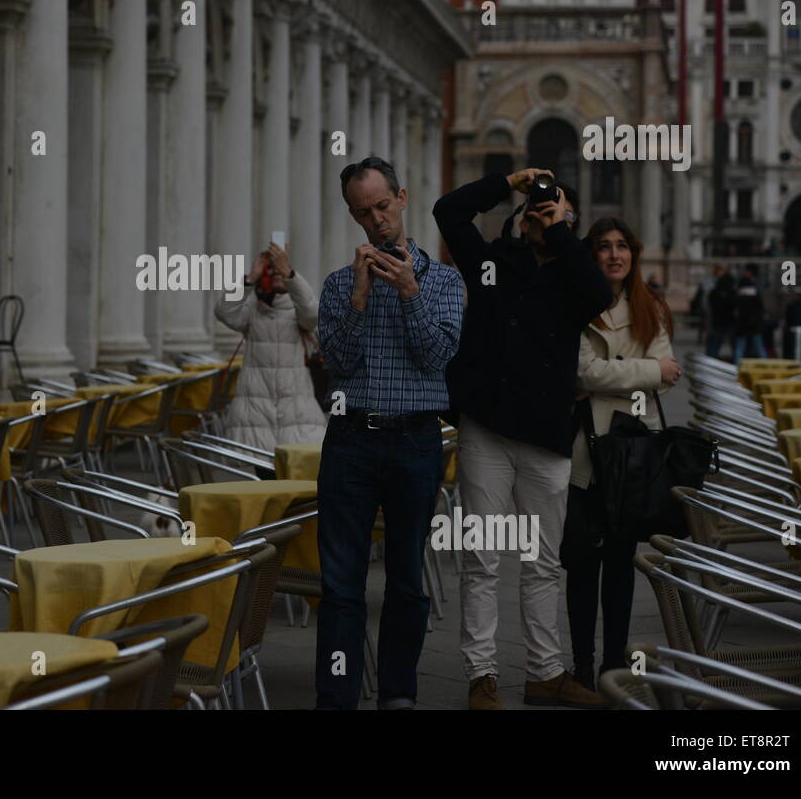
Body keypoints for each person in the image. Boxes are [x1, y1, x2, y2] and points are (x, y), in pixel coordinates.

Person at [433, 166, 612, 710]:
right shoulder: (492, 264)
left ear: (569, 221)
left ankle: (544, 672)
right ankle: (481, 676)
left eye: (553, 208)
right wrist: (506, 181)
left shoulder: (574, 275)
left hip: (546, 432)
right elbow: (448, 213)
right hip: (487, 425)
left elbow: (598, 295)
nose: (539, 213)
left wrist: (559, 229)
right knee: (482, 557)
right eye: (534, 208)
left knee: (543, 560)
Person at [315, 156, 464, 710]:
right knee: (341, 585)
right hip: (351, 441)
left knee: (405, 580)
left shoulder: (445, 281)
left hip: (416, 442)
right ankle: (336, 697)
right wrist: (358, 297)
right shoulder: (336, 285)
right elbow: (339, 361)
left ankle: (398, 693)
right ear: (353, 218)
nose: (376, 220)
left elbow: (436, 356)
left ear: (402, 199)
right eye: (363, 212)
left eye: (382, 206)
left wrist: (408, 292)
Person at [563, 217, 679, 691]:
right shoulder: (576, 305)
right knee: (580, 566)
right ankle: (582, 666)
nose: (615, 255)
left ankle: (612, 664)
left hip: (632, 454)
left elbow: (669, 373)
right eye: (604, 247)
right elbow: (581, 373)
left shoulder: (651, 306)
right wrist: (645, 370)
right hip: (585, 456)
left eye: (622, 247)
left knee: (620, 565)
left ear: (633, 254)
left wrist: (610, 375)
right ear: (592, 257)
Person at [213, 240, 326, 471]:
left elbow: (313, 314)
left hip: (297, 408)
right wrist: (250, 278)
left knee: (298, 472)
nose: (276, 275)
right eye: (271, 270)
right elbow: (224, 311)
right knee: (263, 470)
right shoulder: (253, 309)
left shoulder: (298, 310)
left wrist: (290, 274)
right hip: (256, 410)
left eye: (280, 271)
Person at [732, 264, 767, 363]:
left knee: (740, 348)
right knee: (759, 348)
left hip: (743, 322)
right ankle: (765, 368)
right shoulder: (756, 287)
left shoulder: (741, 288)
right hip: (754, 322)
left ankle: (736, 371)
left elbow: (737, 304)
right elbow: (760, 306)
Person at [706, 269, 738, 360]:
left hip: (717, 321)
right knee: (733, 344)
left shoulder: (714, 292)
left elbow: (711, 305)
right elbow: (734, 305)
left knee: (714, 344)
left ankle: (710, 361)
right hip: (729, 321)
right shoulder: (732, 292)